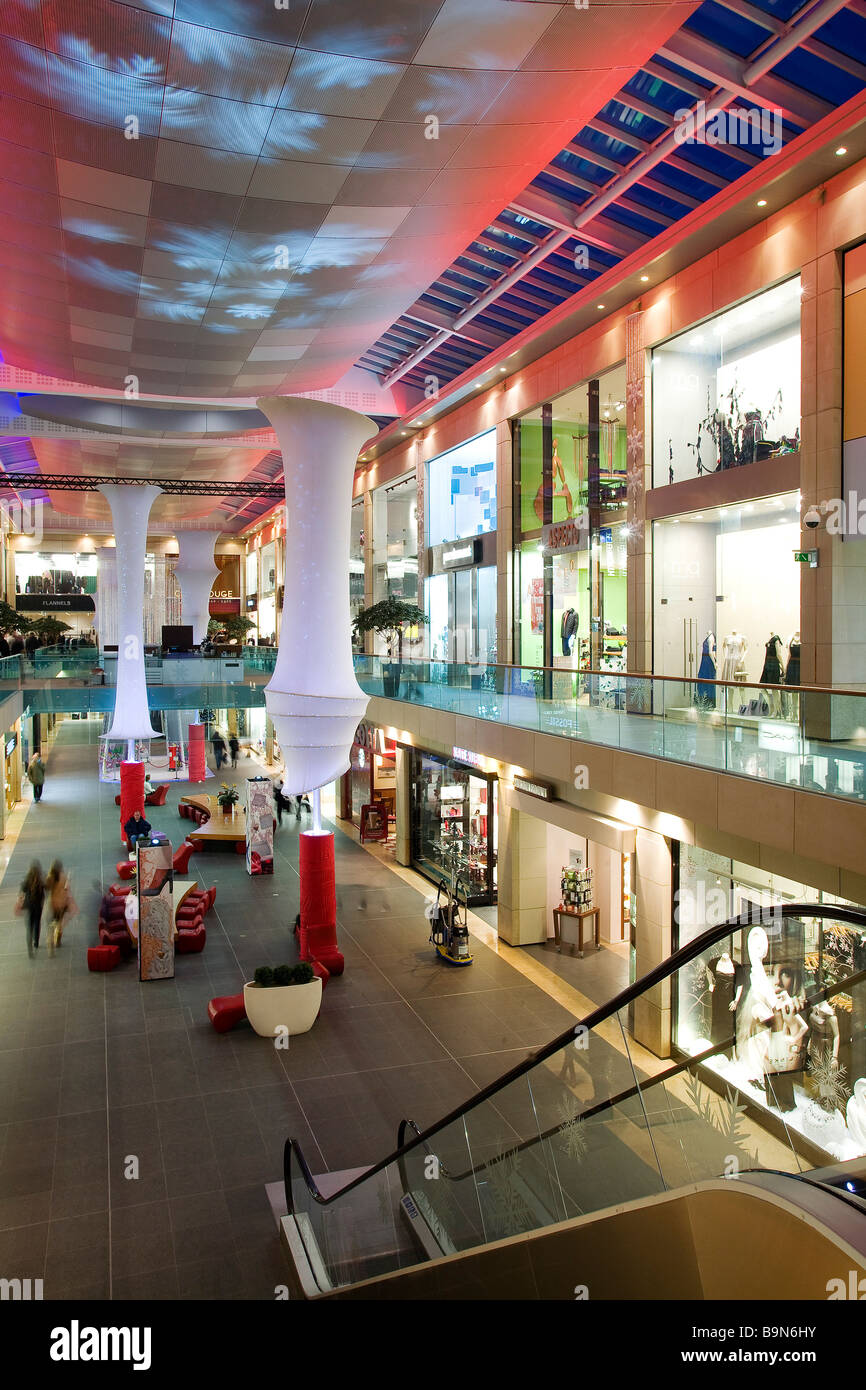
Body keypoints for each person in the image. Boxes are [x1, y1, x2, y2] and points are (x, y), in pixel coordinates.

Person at [45, 860, 76, 952]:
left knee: (52, 922)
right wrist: (69, 879)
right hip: (62, 903)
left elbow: (47, 889)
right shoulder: (63, 876)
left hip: (53, 903)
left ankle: (50, 940)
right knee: (59, 923)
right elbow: (66, 888)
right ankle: (57, 940)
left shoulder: (50, 877)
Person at [16, 862, 45, 958]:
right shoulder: (40, 880)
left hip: (28, 906)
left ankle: (30, 950)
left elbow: (22, 891)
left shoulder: (27, 880)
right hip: (38, 906)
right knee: (37, 923)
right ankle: (36, 942)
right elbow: (46, 888)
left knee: (29, 927)